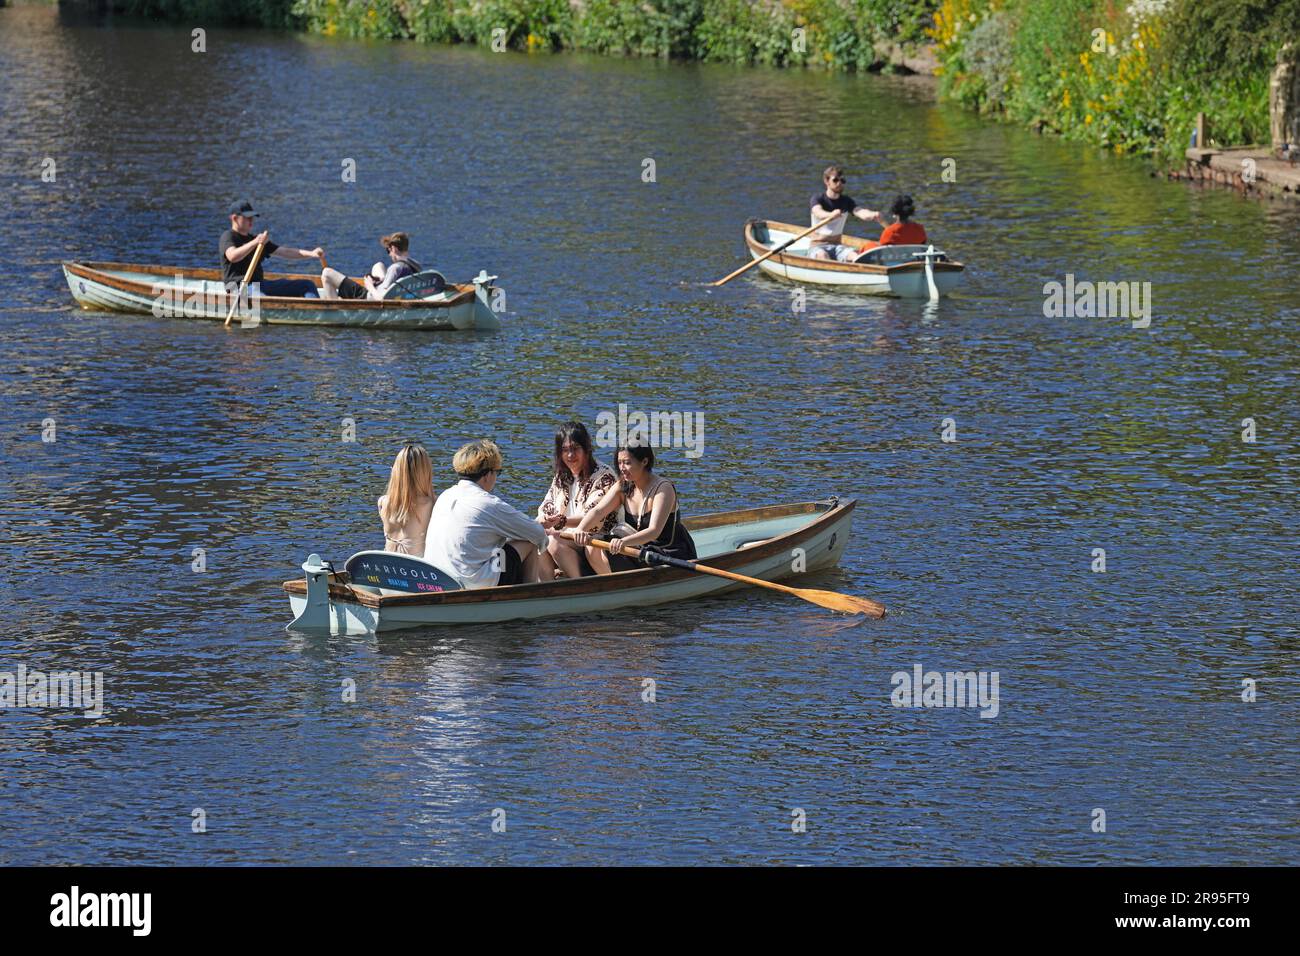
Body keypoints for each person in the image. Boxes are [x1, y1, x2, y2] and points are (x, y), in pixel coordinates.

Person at [423, 439, 548, 588]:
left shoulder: (445, 496)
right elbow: (538, 534)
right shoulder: (489, 503)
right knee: (529, 541)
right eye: (497, 473)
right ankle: (530, 596)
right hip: (473, 582)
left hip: (437, 577)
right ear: (488, 475)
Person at [567, 443, 696, 574]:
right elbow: (598, 511)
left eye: (627, 462)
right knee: (592, 547)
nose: (622, 468)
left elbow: (654, 531)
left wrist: (623, 542)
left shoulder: (663, 489)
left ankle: (622, 585)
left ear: (645, 461)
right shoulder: (623, 486)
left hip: (667, 553)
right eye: (619, 463)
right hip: (639, 549)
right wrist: (580, 529)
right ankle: (614, 585)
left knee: (614, 551)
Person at [535, 422, 620, 580]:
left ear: (586, 449)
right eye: (565, 450)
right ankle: (547, 588)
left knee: (553, 541)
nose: (570, 455)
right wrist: (545, 521)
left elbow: (593, 518)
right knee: (538, 538)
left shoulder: (604, 476)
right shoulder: (562, 475)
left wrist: (561, 523)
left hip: (594, 538)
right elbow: (547, 506)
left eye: (575, 449)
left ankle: (578, 584)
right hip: (566, 537)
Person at [220, 200, 324, 298]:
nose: (251, 220)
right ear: (234, 218)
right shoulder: (228, 236)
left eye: (252, 217)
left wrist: (311, 253)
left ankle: (317, 311)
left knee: (307, 285)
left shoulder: (257, 240)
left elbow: (286, 252)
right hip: (236, 288)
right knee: (262, 298)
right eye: (247, 217)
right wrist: (255, 242)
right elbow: (232, 256)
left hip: (259, 285)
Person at [320, 232, 432, 301]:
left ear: (394, 248)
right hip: (393, 290)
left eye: (388, 251)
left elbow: (381, 299)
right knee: (378, 265)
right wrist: (383, 281)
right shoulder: (415, 265)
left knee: (326, 273)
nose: (389, 255)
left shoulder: (395, 268)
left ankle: (334, 308)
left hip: (368, 297)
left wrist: (370, 286)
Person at [808, 165, 882, 262]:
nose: (839, 183)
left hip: (837, 246)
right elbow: (818, 213)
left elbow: (859, 211)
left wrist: (872, 214)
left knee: (855, 256)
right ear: (826, 181)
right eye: (835, 180)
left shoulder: (846, 201)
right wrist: (830, 215)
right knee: (823, 256)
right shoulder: (818, 199)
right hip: (818, 247)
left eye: (842, 181)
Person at [377, 442, 437, 555]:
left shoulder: (383, 502)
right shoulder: (433, 504)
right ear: (426, 472)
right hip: (416, 569)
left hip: (388, 564)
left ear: (396, 471)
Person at [853, 194, 928, 258]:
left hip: (893, 260)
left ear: (894, 213)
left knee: (869, 246)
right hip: (912, 258)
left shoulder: (890, 231)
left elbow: (881, 250)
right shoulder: (919, 228)